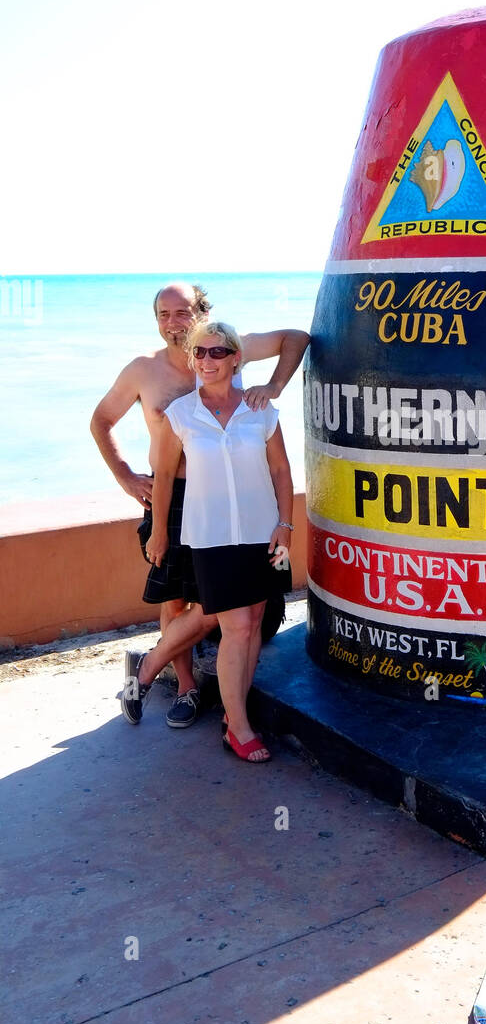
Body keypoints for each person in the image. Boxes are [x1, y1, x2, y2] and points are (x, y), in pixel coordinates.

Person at [91, 280, 308, 727]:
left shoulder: (229, 345)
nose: (174, 323)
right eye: (164, 315)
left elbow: (297, 339)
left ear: (203, 313)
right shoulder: (142, 369)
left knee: (221, 606)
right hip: (173, 497)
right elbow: (101, 421)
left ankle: (151, 666)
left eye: (183, 312)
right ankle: (186, 688)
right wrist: (126, 476)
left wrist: (274, 386)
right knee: (174, 601)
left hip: (236, 497)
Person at [139, 320, 294, 762]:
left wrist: (286, 525)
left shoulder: (260, 408)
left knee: (257, 618)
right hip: (210, 537)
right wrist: (159, 532)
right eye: (200, 353)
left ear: (235, 359)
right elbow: (165, 476)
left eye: (218, 352)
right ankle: (239, 728)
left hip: (266, 532)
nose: (207, 360)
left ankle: (233, 714)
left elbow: (281, 471)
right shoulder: (181, 415)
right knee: (237, 627)